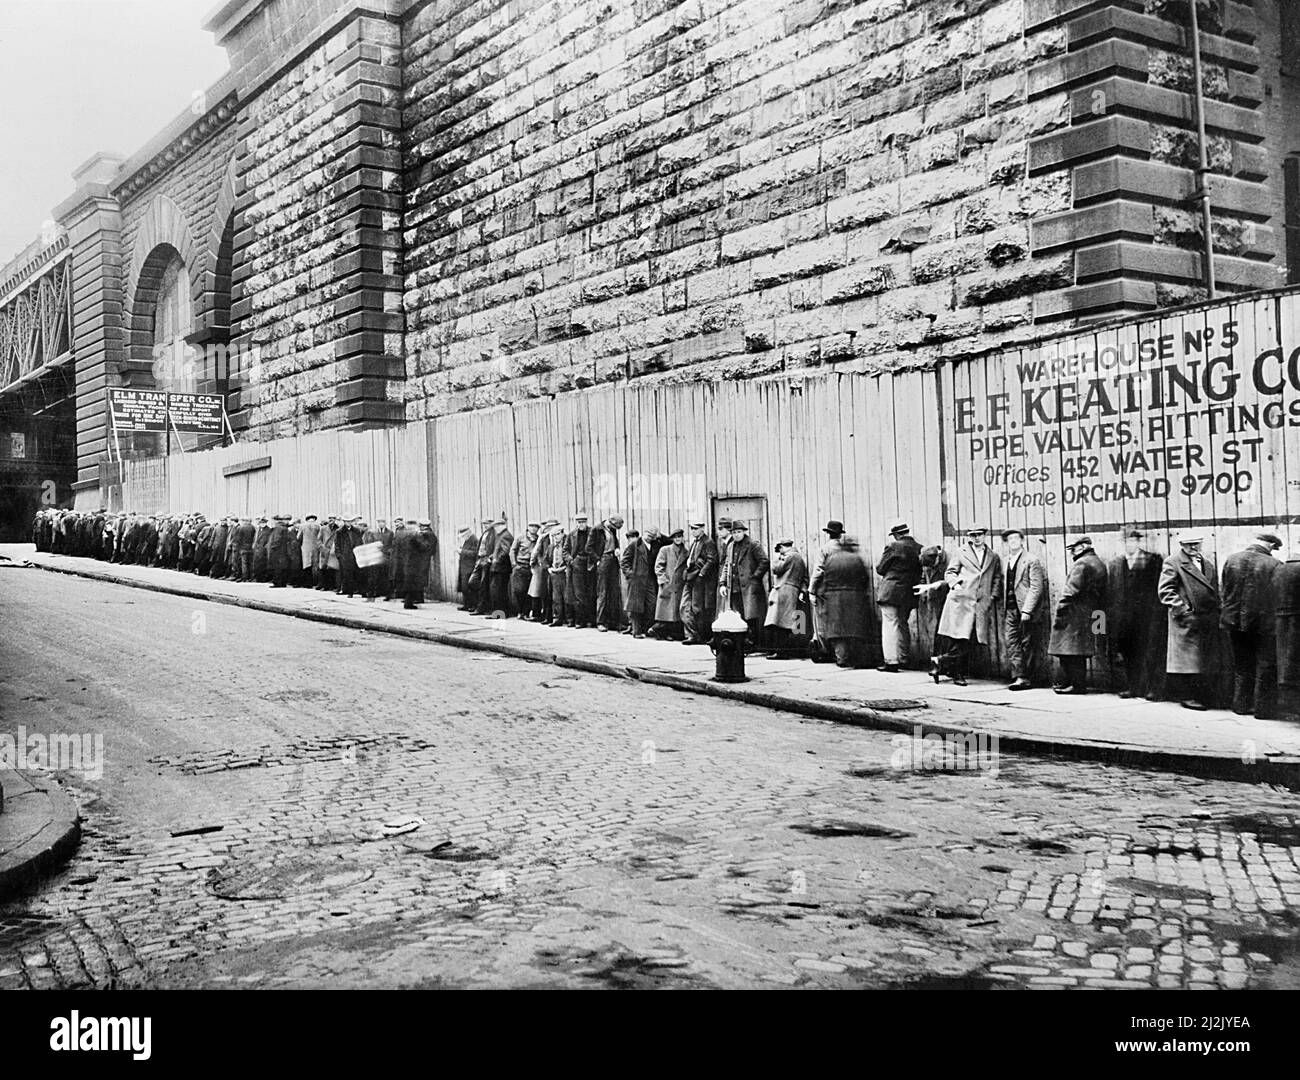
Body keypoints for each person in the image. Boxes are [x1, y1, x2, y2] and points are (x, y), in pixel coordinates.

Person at [923, 526, 1002, 687]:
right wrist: (956, 586)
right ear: (969, 537)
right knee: (960, 638)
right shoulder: (961, 552)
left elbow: (997, 577)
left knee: (971, 639)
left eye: (980, 535)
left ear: (985, 535)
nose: (977, 538)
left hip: (980, 603)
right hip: (962, 600)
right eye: (973, 535)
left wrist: (993, 595)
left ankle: (941, 662)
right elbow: (950, 572)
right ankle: (956, 673)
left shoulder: (992, 556)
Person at [1220, 532, 1282, 718]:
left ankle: (1240, 706)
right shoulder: (1274, 564)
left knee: (1241, 665)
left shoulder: (1231, 560)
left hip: (1233, 621)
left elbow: (1225, 590)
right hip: (1262, 624)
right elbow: (1276, 595)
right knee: (1265, 665)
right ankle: (1264, 710)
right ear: (1270, 545)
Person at [1157, 534, 1222, 710]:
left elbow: (1213, 589)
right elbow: (1166, 591)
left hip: (1206, 618)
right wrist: (1184, 611)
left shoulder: (1206, 563)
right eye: (1189, 545)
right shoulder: (1173, 562)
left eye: (1196, 544)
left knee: (1202, 659)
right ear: (1182, 545)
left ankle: (1201, 696)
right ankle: (1187, 697)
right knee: (1188, 661)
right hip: (1187, 619)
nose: (1193, 548)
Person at [1106, 526, 1166, 700]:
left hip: (1148, 618)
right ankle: (1133, 688)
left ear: (1139, 542)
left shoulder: (1153, 561)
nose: (1130, 544)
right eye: (1127, 541)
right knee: (1128, 654)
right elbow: (1111, 593)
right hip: (1124, 620)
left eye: (1133, 540)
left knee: (1151, 654)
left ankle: (1153, 689)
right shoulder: (1116, 563)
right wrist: (1102, 625)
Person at [1048, 535, 1107, 695]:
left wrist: (1061, 609)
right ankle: (1072, 684)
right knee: (1077, 650)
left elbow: (1071, 591)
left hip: (1075, 614)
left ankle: (1076, 685)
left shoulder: (1082, 563)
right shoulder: (1098, 562)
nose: (1071, 552)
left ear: (1083, 547)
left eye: (1073, 548)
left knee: (1071, 651)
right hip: (1091, 612)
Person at [812, 534, 871, 667]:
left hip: (834, 598)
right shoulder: (856, 559)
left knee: (837, 631)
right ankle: (855, 659)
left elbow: (825, 578)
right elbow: (864, 579)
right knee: (854, 629)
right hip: (854, 597)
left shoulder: (831, 559)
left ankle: (841, 658)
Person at [1001, 528, 1048, 690]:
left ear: (1022, 541)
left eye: (1016, 538)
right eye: (1009, 539)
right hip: (1010, 608)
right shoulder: (1005, 560)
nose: (1013, 541)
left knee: (1027, 642)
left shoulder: (1031, 560)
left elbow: (1036, 587)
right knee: (1012, 641)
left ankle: (1026, 677)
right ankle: (1018, 675)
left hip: (1026, 609)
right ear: (1006, 543)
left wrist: (1027, 610)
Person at [875, 519, 922, 672]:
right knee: (903, 623)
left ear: (896, 534)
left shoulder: (893, 546)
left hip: (891, 591)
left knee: (890, 624)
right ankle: (904, 658)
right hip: (909, 592)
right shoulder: (919, 548)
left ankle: (891, 661)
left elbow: (881, 569)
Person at [722, 521, 770, 648]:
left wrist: (755, 577)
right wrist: (723, 583)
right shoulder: (731, 546)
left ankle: (756, 643)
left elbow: (764, 562)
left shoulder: (753, 545)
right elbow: (727, 566)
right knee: (740, 616)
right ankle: (745, 642)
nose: (736, 535)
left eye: (739, 532)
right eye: (734, 532)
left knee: (752, 616)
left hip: (750, 588)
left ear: (744, 532)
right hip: (735, 588)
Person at [764, 538, 808, 658]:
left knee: (779, 623)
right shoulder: (799, 558)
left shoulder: (789, 556)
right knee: (788, 623)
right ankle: (785, 651)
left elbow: (776, 569)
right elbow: (804, 577)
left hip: (783, 591)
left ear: (783, 547)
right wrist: (802, 591)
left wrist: (776, 558)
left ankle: (781, 652)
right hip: (793, 591)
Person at [589, 514, 624, 631]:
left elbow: (615, 541)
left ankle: (613, 622)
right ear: (609, 522)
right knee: (602, 592)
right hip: (602, 560)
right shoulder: (596, 530)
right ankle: (601, 622)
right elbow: (588, 547)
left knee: (614, 591)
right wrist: (597, 560)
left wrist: (617, 548)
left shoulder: (612, 530)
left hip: (613, 560)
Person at [650, 529, 687, 640]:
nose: (678, 539)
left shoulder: (686, 551)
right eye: (675, 537)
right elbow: (658, 567)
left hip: (679, 585)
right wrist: (663, 581)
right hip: (668, 584)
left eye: (680, 537)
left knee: (675, 612)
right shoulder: (665, 550)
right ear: (672, 539)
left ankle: (670, 633)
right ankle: (660, 632)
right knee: (666, 612)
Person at [620, 529, 656, 637]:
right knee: (636, 606)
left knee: (651, 604)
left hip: (649, 579)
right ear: (644, 534)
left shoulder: (654, 545)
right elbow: (624, 562)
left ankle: (645, 628)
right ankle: (636, 631)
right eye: (648, 535)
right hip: (637, 580)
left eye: (652, 536)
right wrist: (631, 575)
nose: (649, 537)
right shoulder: (634, 545)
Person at [565, 513, 595, 627]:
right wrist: (571, 560)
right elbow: (565, 550)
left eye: (583, 522)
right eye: (579, 522)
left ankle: (591, 620)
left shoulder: (593, 533)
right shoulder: (572, 535)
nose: (581, 524)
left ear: (586, 522)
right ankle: (580, 620)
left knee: (591, 592)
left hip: (590, 563)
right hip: (577, 564)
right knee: (578, 594)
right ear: (576, 523)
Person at [402, 519, 435, 609]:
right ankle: (409, 603)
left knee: (409, 583)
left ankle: (408, 602)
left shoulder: (404, 534)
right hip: (414, 563)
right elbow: (424, 546)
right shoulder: (415, 535)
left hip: (407, 562)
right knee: (413, 583)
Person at [511, 522, 540, 618]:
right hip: (520, 567)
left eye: (536, 527)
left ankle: (525, 612)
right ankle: (520, 611)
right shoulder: (520, 538)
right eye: (531, 526)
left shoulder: (538, 539)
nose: (533, 529)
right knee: (519, 590)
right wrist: (514, 564)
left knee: (529, 592)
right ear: (528, 528)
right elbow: (512, 550)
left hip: (531, 568)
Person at [488, 517, 514, 616]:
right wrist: (492, 557)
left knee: (498, 591)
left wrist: (496, 560)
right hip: (499, 568)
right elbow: (498, 551)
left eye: (495, 527)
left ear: (501, 526)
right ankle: (500, 613)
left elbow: (504, 552)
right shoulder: (501, 535)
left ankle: (500, 613)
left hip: (501, 568)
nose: (495, 529)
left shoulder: (505, 536)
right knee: (498, 591)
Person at [546, 522, 568, 626]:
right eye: (553, 536)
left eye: (557, 534)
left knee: (567, 597)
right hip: (554, 574)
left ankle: (569, 619)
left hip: (564, 572)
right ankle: (557, 618)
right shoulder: (551, 547)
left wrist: (566, 568)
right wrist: (549, 568)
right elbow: (546, 560)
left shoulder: (567, 545)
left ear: (562, 534)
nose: (555, 537)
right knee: (556, 598)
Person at [268, 514, 292, 588]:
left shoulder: (278, 528)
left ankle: (277, 583)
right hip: (284, 550)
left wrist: (272, 547)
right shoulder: (284, 528)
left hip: (277, 551)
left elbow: (277, 539)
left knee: (277, 567)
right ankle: (283, 583)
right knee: (283, 567)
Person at [300, 514, 321, 588]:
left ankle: (307, 583)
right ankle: (315, 582)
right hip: (315, 547)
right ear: (314, 519)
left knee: (306, 565)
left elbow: (298, 537)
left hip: (306, 547)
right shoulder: (318, 526)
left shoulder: (303, 526)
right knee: (315, 565)